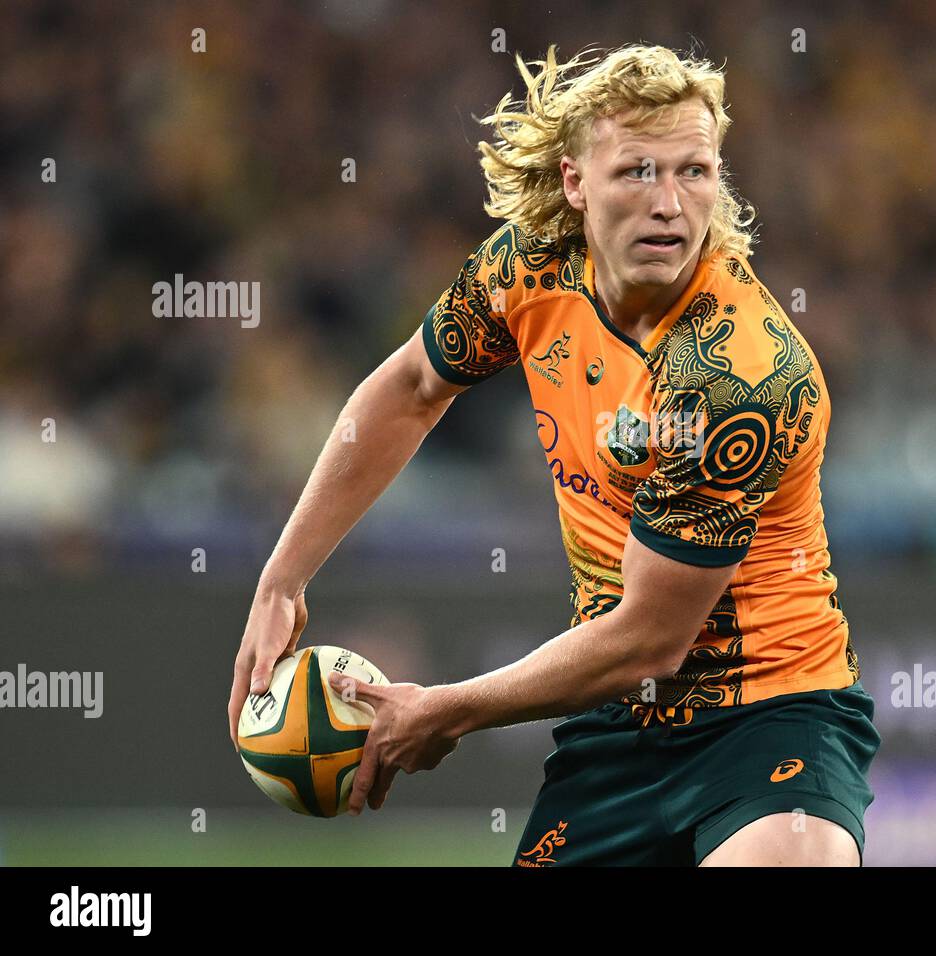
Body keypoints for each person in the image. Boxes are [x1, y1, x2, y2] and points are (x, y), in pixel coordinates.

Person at [227, 43, 880, 867]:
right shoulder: (531, 266)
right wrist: (282, 579)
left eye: (695, 172)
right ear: (575, 182)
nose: (671, 204)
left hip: (773, 714)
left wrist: (448, 709)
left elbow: (649, 639)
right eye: (638, 171)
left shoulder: (737, 377)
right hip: (615, 729)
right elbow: (411, 388)